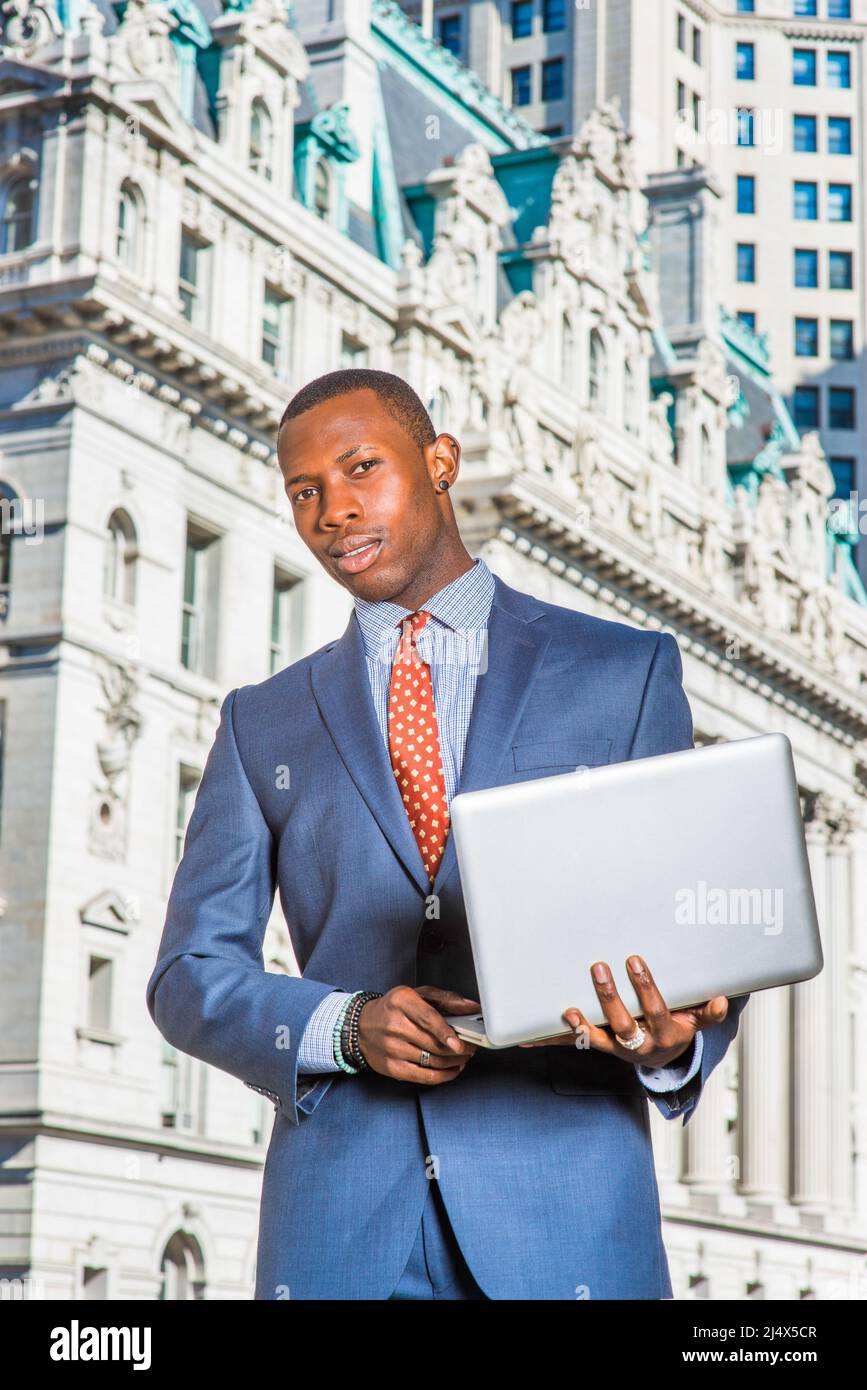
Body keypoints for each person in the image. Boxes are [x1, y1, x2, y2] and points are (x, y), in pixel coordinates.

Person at [146, 368, 749, 1300]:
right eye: (304, 492)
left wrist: (671, 1043)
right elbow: (187, 977)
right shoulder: (260, 720)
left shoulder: (624, 673)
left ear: (439, 463)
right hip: (339, 1234)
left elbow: (690, 932)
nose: (332, 511)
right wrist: (342, 1027)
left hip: (565, 1227)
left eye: (359, 470)